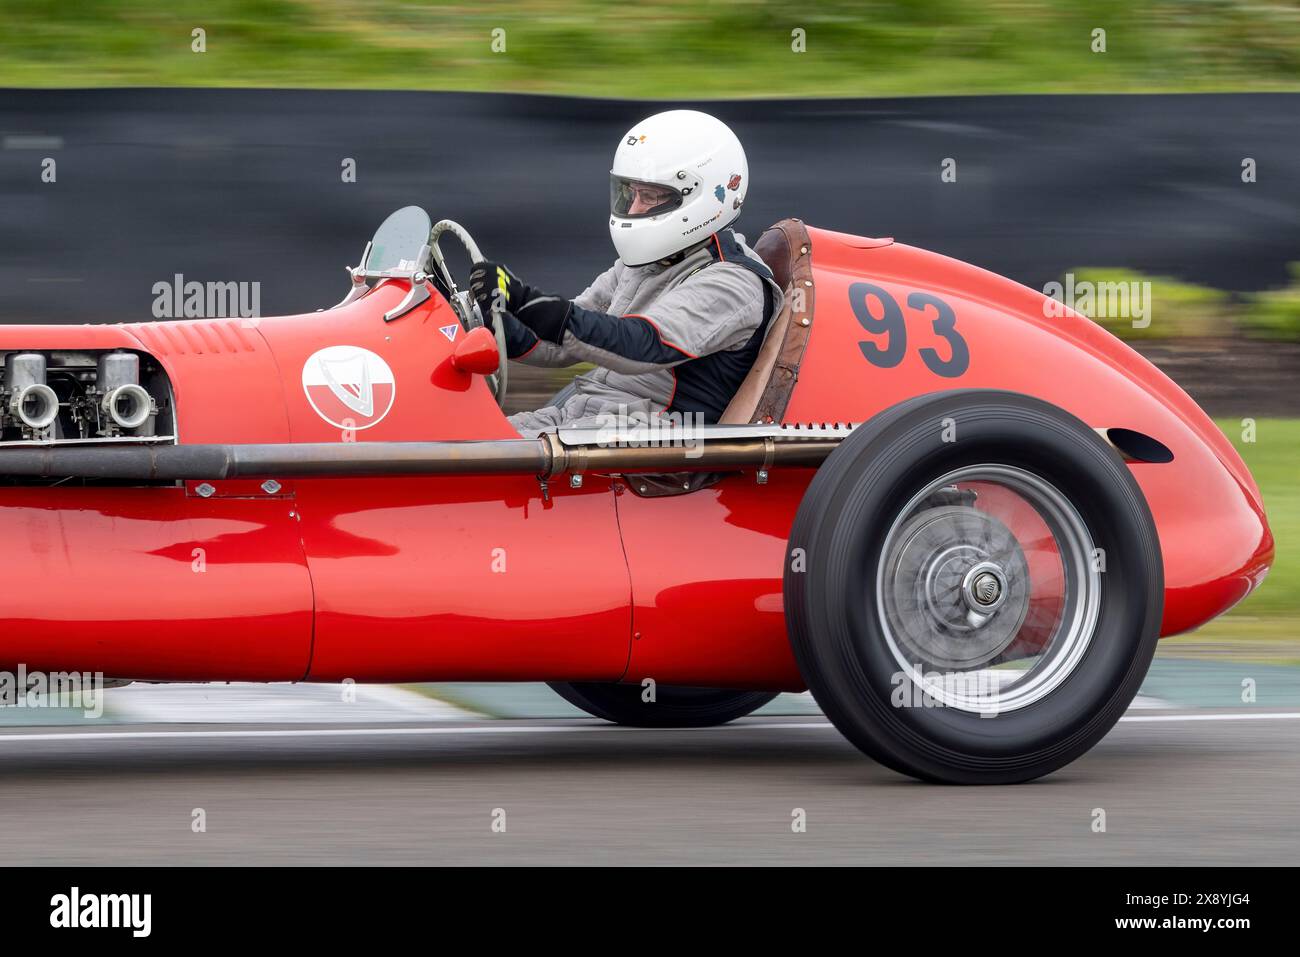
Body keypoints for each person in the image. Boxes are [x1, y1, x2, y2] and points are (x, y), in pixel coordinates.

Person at [468, 109, 784, 438]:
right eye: (630, 193)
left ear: (700, 197)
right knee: (453, 437)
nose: (633, 209)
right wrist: (494, 323)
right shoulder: (650, 261)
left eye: (648, 197)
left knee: (469, 461)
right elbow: (568, 340)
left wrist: (525, 299)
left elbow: (640, 345)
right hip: (592, 415)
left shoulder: (733, 283)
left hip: (652, 442)